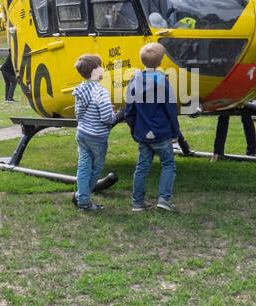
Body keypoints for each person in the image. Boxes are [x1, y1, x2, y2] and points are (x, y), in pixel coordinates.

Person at [121, 42, 182, 213]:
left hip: (142, 133)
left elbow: (129, 111)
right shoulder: (163, 82)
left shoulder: (134, 81)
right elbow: (171, 110)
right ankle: (164, 199)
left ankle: (137, 203)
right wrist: (175, 132)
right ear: (162, 61)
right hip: (162, 133)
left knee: (142, 167)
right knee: (168, 165)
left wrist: (134, 130)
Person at [72, 53, 115, 212]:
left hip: (82, 134)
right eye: (100, 66)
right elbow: (106, 118)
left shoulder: (80, 90)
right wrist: (113, 114)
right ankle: (82, 198)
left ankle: (81, 198)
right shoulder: (101, 92)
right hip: (97, 137)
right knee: (96, 168)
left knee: (83, 167)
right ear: (94, 71)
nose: (102, 68)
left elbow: (78, 114)